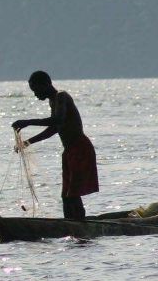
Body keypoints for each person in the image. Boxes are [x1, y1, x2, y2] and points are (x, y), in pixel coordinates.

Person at [11, 71, 98, 219]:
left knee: (73, 194)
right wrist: (27, 142)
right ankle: (70, 225)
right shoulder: (53, 101)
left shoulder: (61, 96)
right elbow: (54, 129)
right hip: (70, 151)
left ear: (46, 84)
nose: (36, 95)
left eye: (36, 90)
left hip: (80, 149)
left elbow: (57, 120)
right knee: (66, 195)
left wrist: (27, 122)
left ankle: (79, 227)